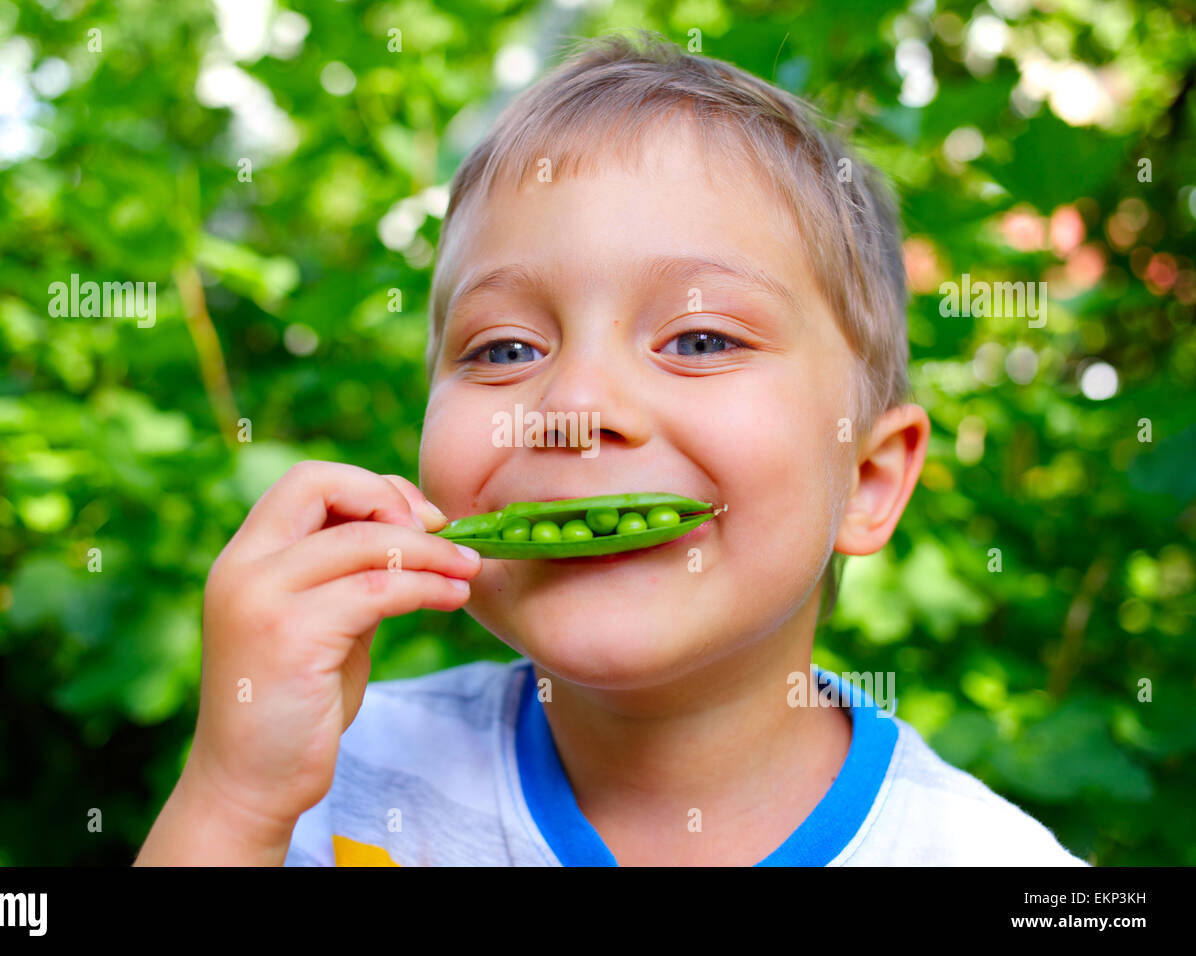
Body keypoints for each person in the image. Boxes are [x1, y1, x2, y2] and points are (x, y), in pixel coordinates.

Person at [137, 30, 1087, 866]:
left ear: (868, 479)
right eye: (504, 349)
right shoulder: (338, 774)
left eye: (702, 339)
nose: (572, 406)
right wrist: (232, 798)